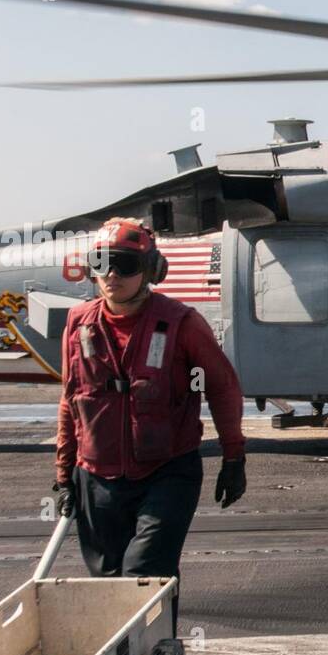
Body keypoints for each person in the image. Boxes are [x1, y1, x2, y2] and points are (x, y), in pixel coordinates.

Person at [53, 218, 246, 624]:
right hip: (97, 477)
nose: (111, 275)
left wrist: (234, 457)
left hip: (167, 472)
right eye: (101, 262)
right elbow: (71, 399)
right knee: (107, 585)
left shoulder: (181, 323)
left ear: (151, 269)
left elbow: (223, 387)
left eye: (124, 264)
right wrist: (62, 474)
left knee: (144, 575)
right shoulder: (79, 323)